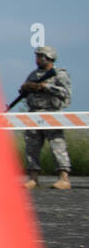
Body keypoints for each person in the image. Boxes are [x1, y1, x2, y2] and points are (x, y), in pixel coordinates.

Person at [19, 46, 73, 190]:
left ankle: (64, 178)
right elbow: (25, 92)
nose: (37, 59)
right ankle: (33, 178)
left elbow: (66, 94)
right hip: (34, 114)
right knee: (31, 146)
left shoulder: (59, 74)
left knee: (57, 145)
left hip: (52, 113)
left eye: (39, 56)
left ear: (47, 58)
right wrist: (26, 88)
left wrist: (45, 87)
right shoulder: (33, 74)